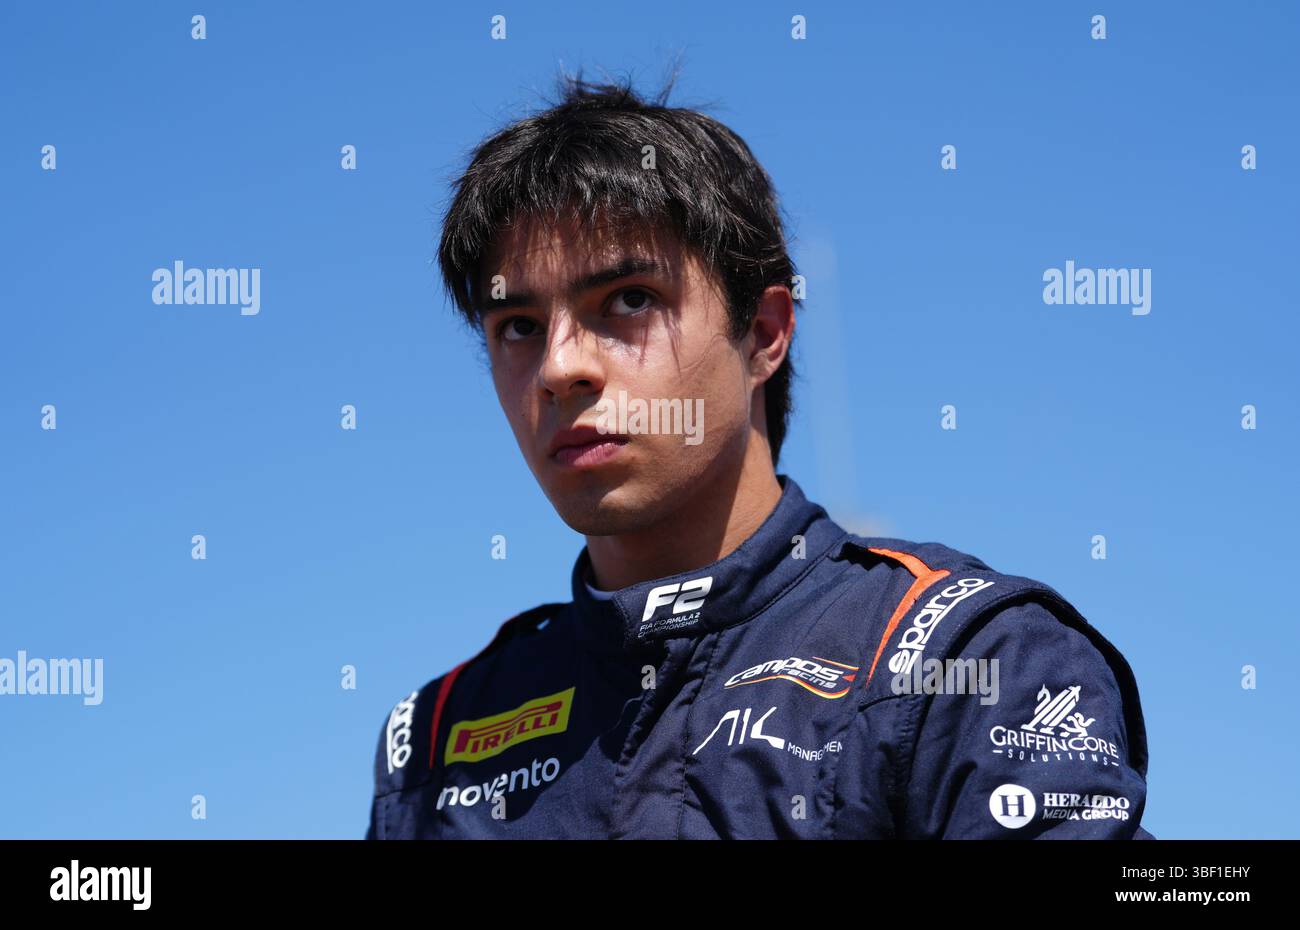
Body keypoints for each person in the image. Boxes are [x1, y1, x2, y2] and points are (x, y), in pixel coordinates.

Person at [365, 71, 1154, 839]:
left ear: (765, 333)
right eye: (519, 326)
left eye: (629, 301)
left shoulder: (958, 656)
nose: (560, 368)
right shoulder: (439, 740)